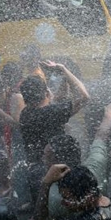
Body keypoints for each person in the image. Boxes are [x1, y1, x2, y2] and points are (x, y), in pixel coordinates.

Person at [19, 61, 89, 205]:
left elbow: (55, 103)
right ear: (45, 93)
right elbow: (84, 97)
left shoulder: (25, 113)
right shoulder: (50, 113)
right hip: (56, 170)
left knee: (43, 208)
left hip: (36, 171)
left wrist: (64, 80)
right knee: (63, 207)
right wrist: (64, 69)